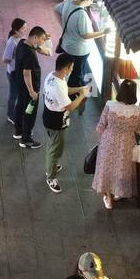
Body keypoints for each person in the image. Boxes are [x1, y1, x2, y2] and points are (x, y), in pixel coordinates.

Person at [42, 53, 90, 193]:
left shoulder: (53, 76)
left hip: (49, 116)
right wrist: (82, 95)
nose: (72, 70)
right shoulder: (57, 85)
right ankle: (51, 176)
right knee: (56, 148)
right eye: (71, 68)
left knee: (53, 144)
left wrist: (79, 89)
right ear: (65, 69)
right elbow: (69, 106)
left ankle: (52, 165)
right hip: (56, 121)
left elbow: (65, 91)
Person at [92, 79, 140, 209]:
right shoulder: (139, 111)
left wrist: (101, 134)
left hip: (108, 141)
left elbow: (100, 126)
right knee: (122, 169)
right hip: (127, 143)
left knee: (107, 168)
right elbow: (137, 128)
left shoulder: (110, 105)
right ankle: (119, 192)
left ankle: (108, 198)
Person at [54, 0, 107, 95]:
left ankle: (68, 90)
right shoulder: (81, 14)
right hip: (78, 51)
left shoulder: (68, 2)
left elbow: (55, 9)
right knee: (76, 74)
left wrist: (63, 25)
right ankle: (72, 96)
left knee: (69, 71)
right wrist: (103, 32)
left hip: (66, 46)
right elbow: (86, 35)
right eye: (92, 0)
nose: (91, 3)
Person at [2, 18, 27, 124]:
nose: (25, 30)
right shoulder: (12, 42)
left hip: (19, 71)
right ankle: (11, 115)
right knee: (14, 94)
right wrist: (15, 56)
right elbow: (5, 59)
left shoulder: (21, 38)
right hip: (13, 73)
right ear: (16, 30)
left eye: (26, 27)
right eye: (23, 28)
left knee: (17, 93)